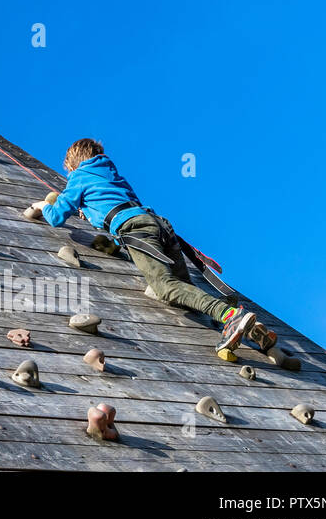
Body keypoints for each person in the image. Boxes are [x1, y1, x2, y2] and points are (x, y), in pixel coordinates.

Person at [27, 138, 276, 356]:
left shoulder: (79, 176)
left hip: (136, 230)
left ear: (73, 164)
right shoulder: (111, 174)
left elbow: (57, 216)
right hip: (159, 225)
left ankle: (230, 316)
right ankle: (246, 325)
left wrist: (42, 206)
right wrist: (91, 214)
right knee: (185, 293)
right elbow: (113, 204)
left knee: (166, 288)